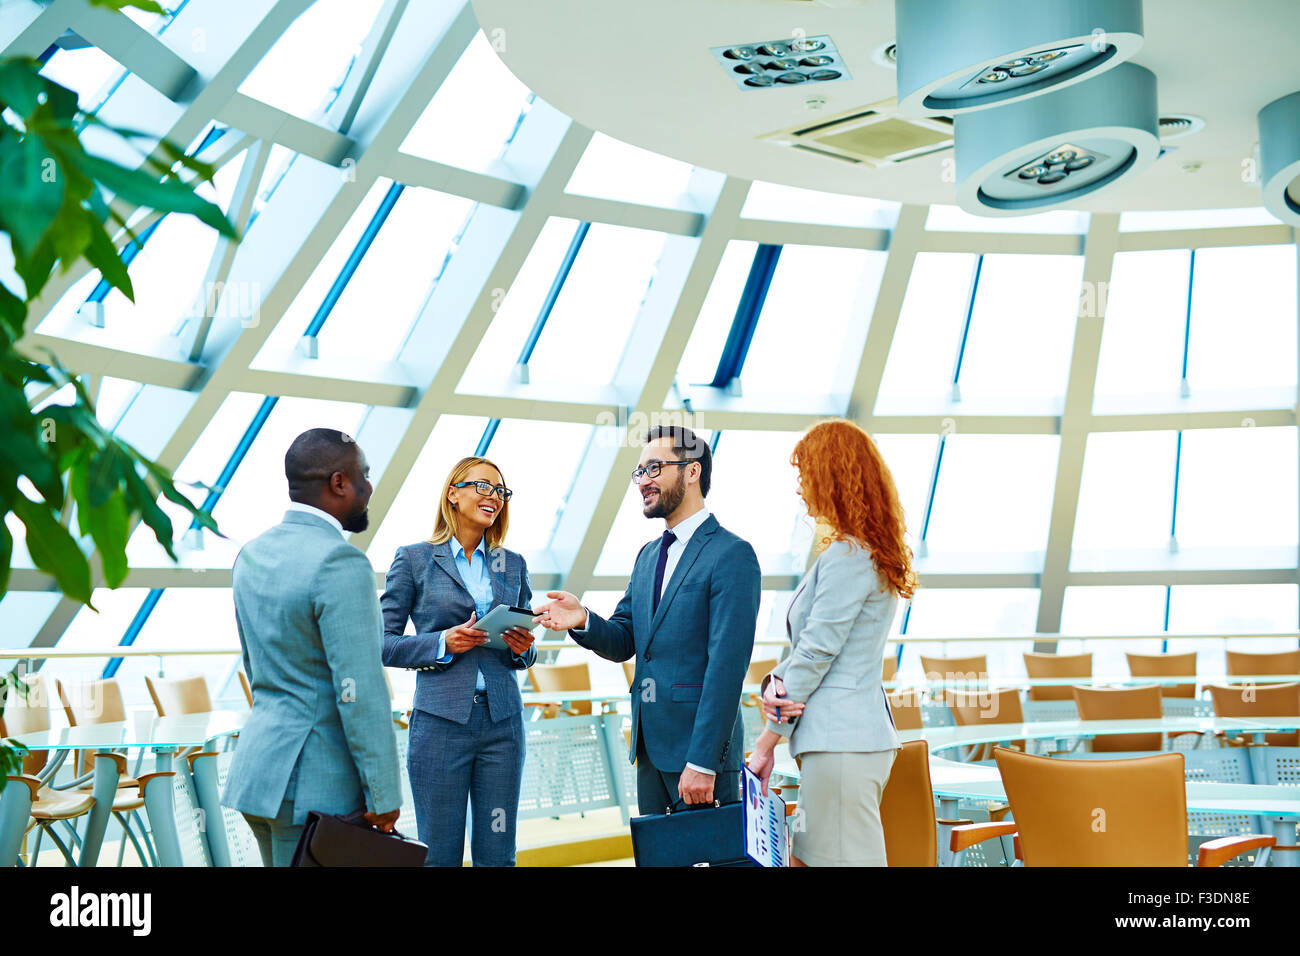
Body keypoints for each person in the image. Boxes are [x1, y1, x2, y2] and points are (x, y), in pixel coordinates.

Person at [541, 425, 760, 813]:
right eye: (640, 472)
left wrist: (703, 762)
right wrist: (583, 619)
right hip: (650, 753)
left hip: (700, 761)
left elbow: (726, 670)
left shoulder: (732, 555)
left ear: (692, 472)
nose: (643, 481)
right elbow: (626, 638)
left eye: (655, 468)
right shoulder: (647, 556)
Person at [223, 428, 402, 867]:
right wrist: (383, 791)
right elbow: (358, 688)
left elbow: (254, 664)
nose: (369, 487)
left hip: (259, 774)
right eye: (363, 475)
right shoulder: (340, 561)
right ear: (338, 483)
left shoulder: (252, 554)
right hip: (317, 786)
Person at [746, 419, 915, 867]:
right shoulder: (862, 553)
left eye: (806, 476)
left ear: (832, 475)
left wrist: (766, 743)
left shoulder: (848, 556)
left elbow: (818, 650)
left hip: (841, 743)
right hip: (844, 741)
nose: (801, 490)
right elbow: (818, 649)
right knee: (811, 859)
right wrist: (775, 683)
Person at [381, 456, 538, 866]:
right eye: (483, 487)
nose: (494, 497)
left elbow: (528, 648)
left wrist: (524, 648)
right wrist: (442, 642)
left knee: (498, 855)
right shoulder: (414, 559)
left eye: (500, 491)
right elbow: (383, 644)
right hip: (440, 725)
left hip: (503, 724)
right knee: (438, 856)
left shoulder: (513, 564)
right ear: (453, 493)